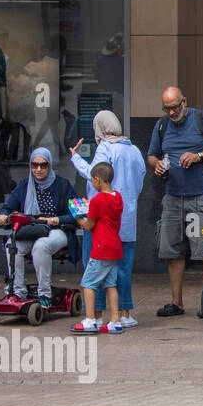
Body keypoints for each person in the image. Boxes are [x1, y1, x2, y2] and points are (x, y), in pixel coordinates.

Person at [146, 86, 203, 317]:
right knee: (172, 250)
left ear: (184, 102)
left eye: (174, 107)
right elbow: (151, 154)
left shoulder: (202, 118)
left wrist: (199, 156)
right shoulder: (162, 125)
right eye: (167, 108)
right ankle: (176, 302)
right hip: (172, 195)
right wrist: (157, 165)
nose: (171, 113)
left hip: (202, 194)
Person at [70, 110, 146, 328]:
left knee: (95, 266)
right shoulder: (134, 150)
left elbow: (94, 173)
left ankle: (96, 314)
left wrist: (75, 157)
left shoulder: (105, 147)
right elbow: (140, 182)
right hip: (126, 218)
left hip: (101, 223)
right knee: (122, 268)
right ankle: (124, 314)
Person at [0, 147, 81, 306]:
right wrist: (3, 214)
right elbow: (9, 206)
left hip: (56, 230)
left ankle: (45, 295)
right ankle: (18, 292)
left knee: (41, 246)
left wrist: (54, 220)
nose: (38, 169)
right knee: (11, 245)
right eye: (34, 165)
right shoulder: (25, 185)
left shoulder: (63, 185)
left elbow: (76, 215)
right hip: (32, 229)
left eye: (43, 165)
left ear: (49, 166)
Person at [69, 162, 124, 335]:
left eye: (92, 180)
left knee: (88, 284)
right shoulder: (118, 197)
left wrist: (78, 217)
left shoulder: (97, 200)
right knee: (110, 284)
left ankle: (90, 319)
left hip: (101, 247)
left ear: (97, 180)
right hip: (115, 247)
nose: (92, 184)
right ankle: (115, 321)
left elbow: (89, 226)